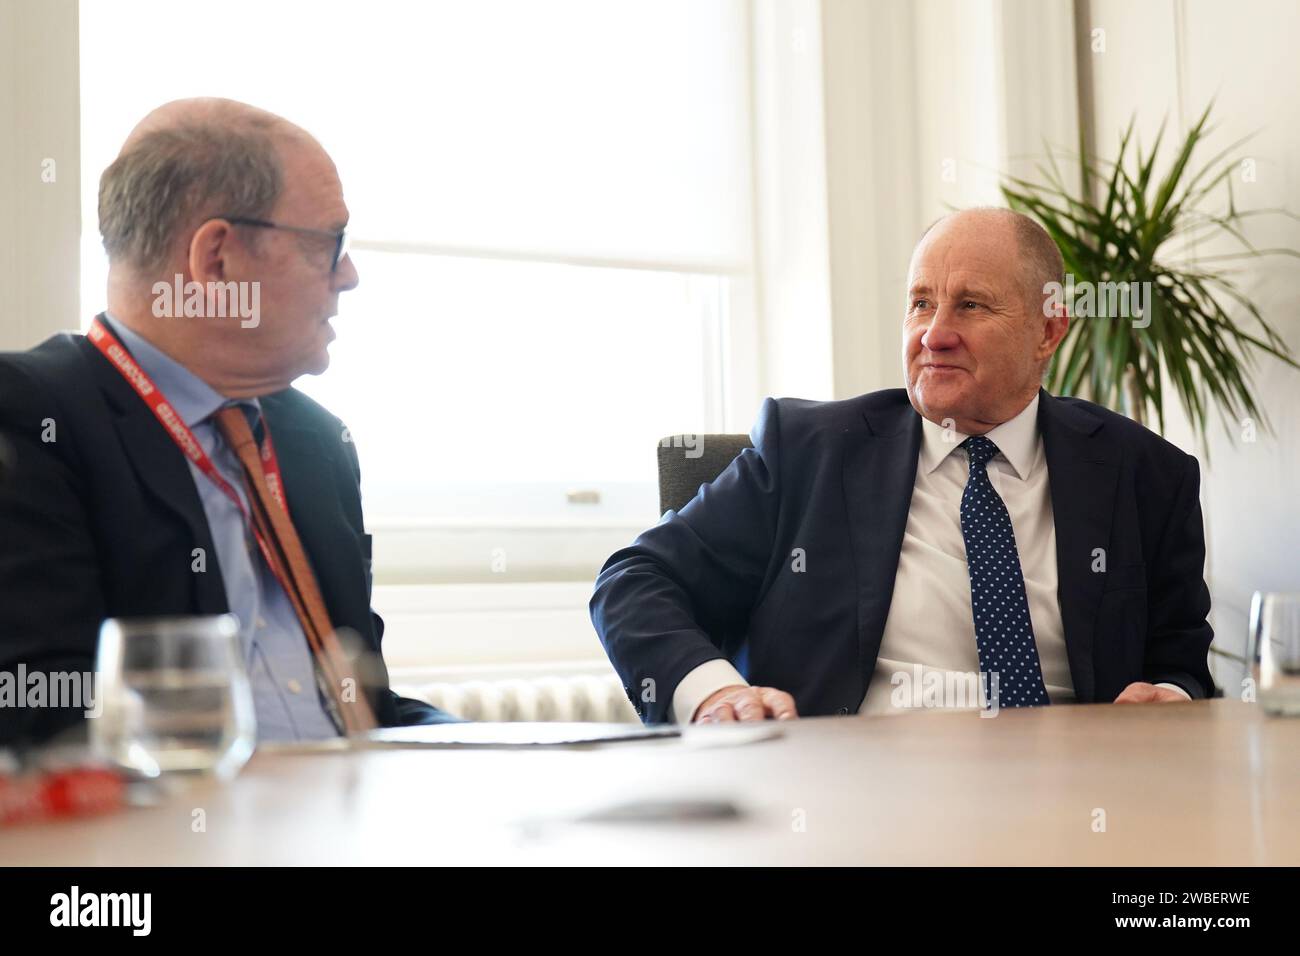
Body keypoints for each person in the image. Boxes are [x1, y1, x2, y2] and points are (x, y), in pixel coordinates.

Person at [591, 207, 1214, 723]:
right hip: (855, 801)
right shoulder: (808, 450)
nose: (934, 334)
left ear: (1048, 331)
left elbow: (1180, 659)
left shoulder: (1147, 475)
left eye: (970, 305)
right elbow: (635, 580)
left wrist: (1172, 696)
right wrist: (716, 694)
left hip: (1075, 798)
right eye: (920, 303)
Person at [0, 98, 456, 745]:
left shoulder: (317, 443)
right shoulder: (32, 418)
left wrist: (494, 750)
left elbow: (364, 709)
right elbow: (45, 721)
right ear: (217, 261)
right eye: (330, 245)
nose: (348, 277)